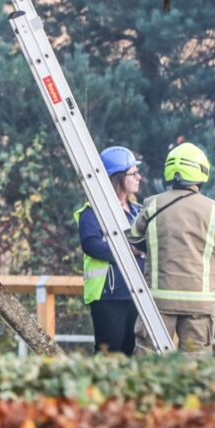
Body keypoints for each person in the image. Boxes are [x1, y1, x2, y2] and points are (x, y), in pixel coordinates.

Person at [127, 142, 215, 353]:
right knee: (194, 367)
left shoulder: (152, 205)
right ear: (202, 172)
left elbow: (133, 240)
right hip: (200, 304)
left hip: (158, 302)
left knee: (147, 365)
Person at [76, 146, 145, 354]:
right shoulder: (92, 212)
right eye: (133, 173)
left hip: (138, 292)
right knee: (109, 352)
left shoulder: (138, 212)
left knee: (131, 351)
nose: (138, 177)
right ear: (117, 177)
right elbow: (91, 245)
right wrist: (129, 251)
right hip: (108, 295)